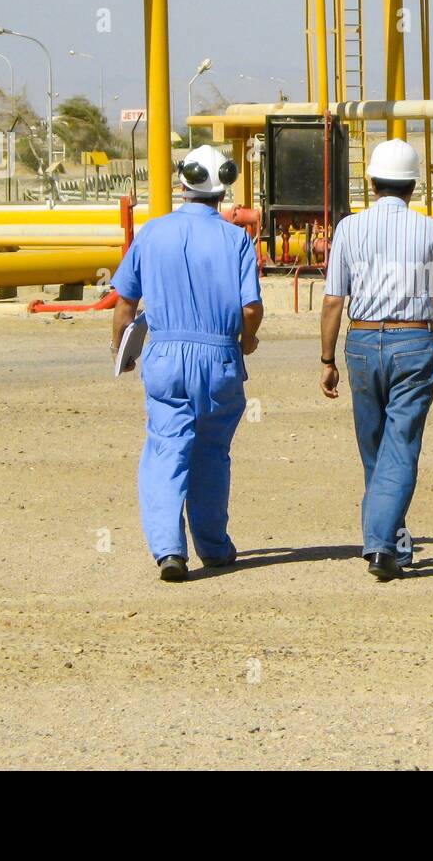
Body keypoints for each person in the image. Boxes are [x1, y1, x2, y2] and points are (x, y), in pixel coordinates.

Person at [111, 145, 263, 582]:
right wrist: (245, 341)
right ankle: (214, 547)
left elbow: (124, 303)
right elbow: (250, 309)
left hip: (165, 357)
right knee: (212, 454)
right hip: (220, 358)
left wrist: (122, 350)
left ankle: (169, 550)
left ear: (183, 185)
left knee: (166, 449)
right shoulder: (236, 239)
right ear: (223, 191)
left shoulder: (152, 233)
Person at [319, 138, 433, 582]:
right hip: (413, 344)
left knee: (374, 449)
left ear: (372, 182)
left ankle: (391, 542)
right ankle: (383, 545)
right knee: (400, 447)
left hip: (360, 342)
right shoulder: (432, 230)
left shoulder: (348, 229)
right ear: (414, 185)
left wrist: (327, 359)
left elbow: (332, 301)